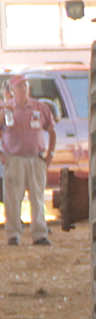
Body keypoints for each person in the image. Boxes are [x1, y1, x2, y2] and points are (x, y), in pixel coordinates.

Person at [1, 75, 57, 246]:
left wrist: (50, 155)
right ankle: (13, 234)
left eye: (25, 86)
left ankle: (39, 234)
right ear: (12, 90)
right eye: (19, 87)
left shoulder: (40, 108)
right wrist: (2, 156)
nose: (23, 89)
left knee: (38, 198)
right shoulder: (5, 110)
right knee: (12, 199)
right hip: (15, 159)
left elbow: (52, 131)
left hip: (36, 159)